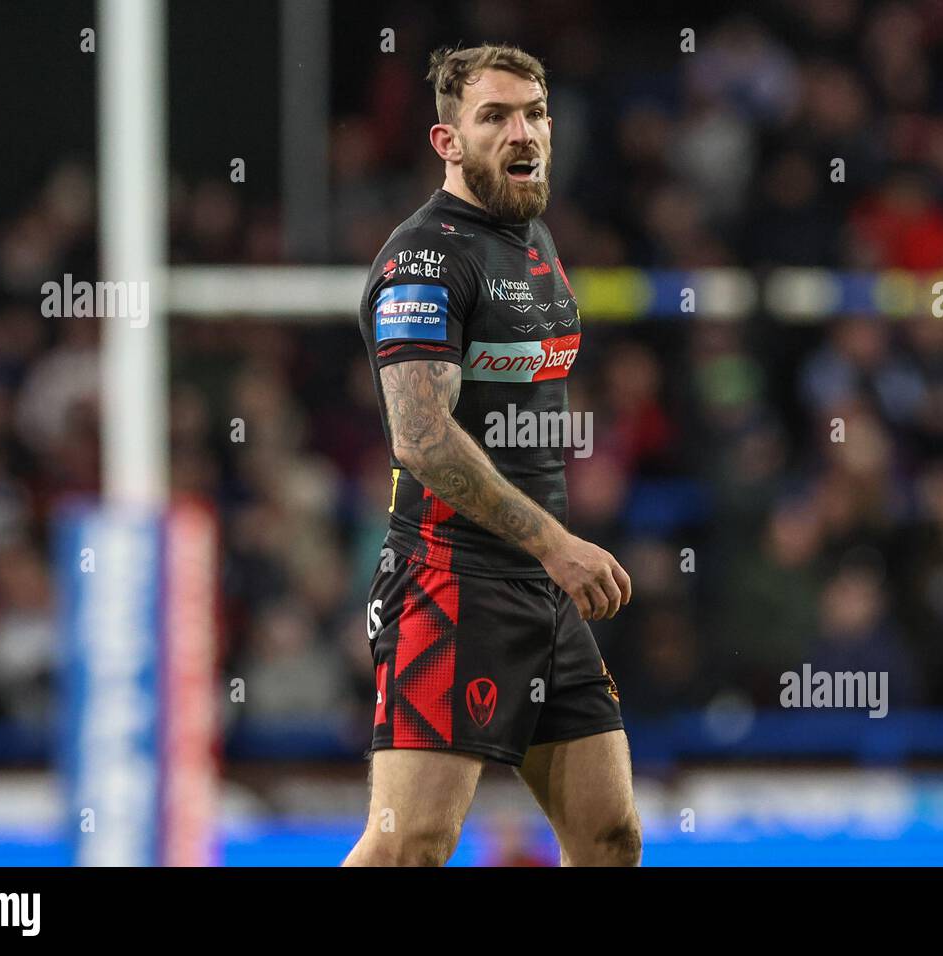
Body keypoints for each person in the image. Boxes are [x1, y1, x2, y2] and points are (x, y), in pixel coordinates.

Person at [345, 43, 640, 867]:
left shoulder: (532, 235)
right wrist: (555, 542)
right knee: (411, 846)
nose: (526, 132)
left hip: (540, 587)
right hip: (449, 579)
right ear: (448, 142)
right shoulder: (423, 259)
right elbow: (423, 438)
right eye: (496, 116)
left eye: (536, 113)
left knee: (610, 838)